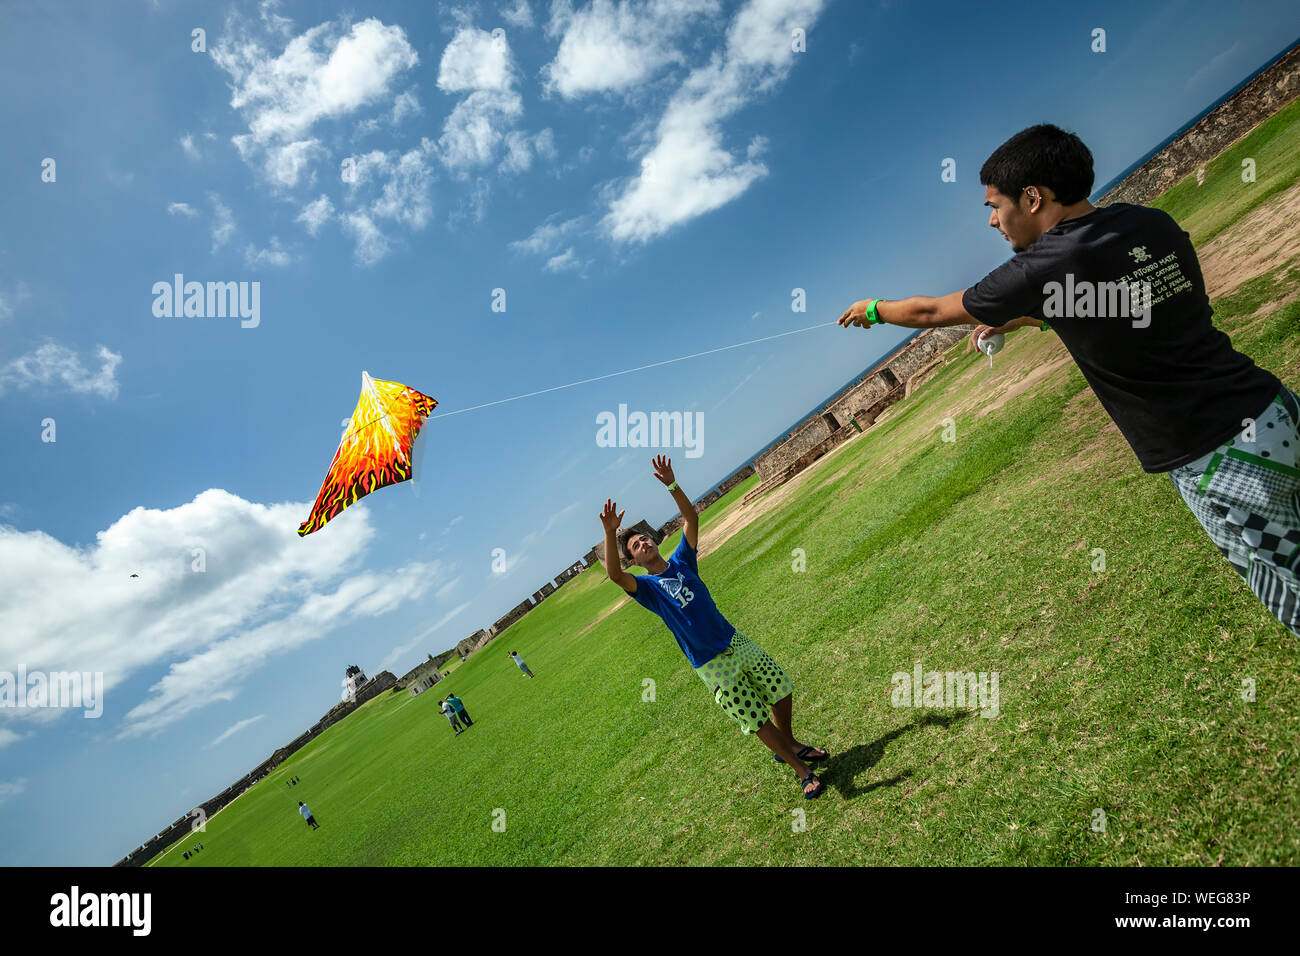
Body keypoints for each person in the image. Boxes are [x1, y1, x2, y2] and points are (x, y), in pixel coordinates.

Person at [836, 123, 1298, 639]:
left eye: (994, 205)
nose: (992, 220)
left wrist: (872, 308)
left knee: (1292, 590)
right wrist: (1023, 319)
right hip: (1272, 409)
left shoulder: (1042, 267)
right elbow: (1123, 308)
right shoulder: (1150, 223)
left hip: (1217, 452)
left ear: (1032, 197)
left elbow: (929, 312)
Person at [599, 455, 830, 799]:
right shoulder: (646, 589)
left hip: (733, 639)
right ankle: (801, 770)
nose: (643, 543)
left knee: (780, 689)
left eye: (644, 538)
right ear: (634, 560)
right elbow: (615, 575)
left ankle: (792, 744)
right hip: (710, 662)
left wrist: (672, 485)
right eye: (635, 546)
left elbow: (691, 519)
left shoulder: (682, 562)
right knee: (755, 718)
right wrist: (609, 531)